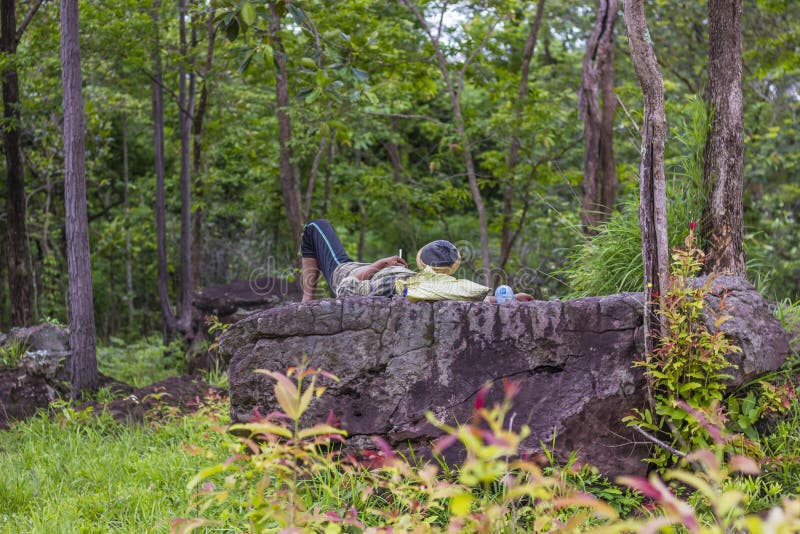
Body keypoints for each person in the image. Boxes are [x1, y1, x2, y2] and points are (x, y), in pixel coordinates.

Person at [300, 219, 532, 302]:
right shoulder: (444, 286)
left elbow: (345, 287)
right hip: (384, 273)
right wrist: (506, 300)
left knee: (314, 227)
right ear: (450, 270)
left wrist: (379, 265)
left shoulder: (394, 286)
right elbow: (469, 294)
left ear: (421, 261)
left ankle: (307, 299)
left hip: (347, 271)